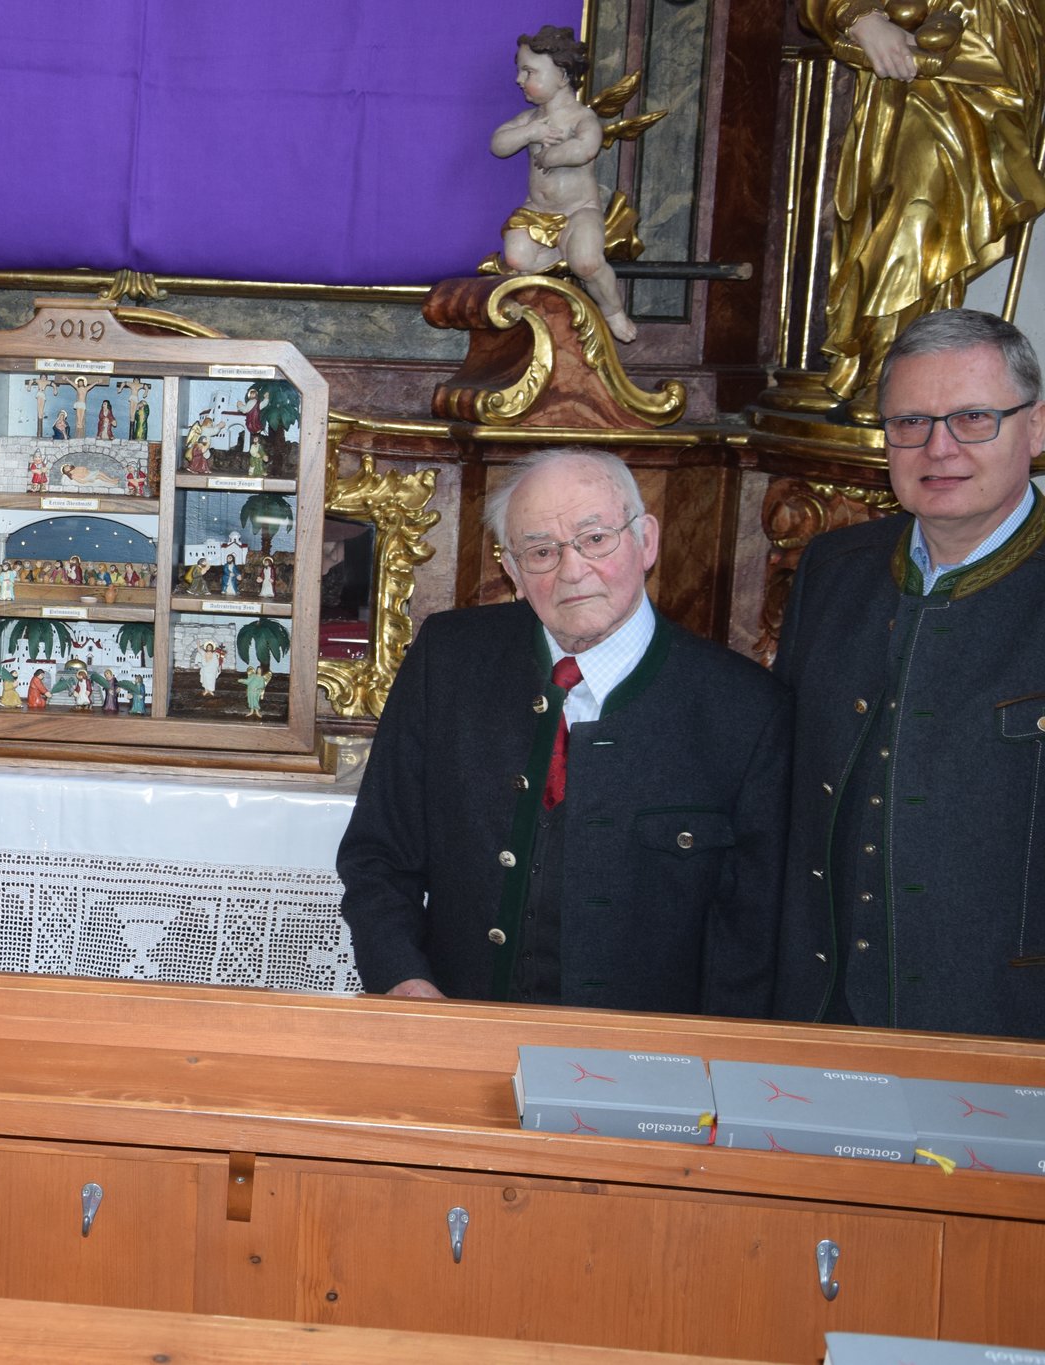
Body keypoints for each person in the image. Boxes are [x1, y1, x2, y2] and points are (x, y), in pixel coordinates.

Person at [338, 448, 788, 1016]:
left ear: (645, 541)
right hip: (458, 1029)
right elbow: (378, 855)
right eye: (541, 552)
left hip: (642, 1064)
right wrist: (405, 981)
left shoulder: (745, 710)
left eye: (595, 538)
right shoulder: (449, 658)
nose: (572, 571)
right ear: (514, 573)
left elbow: (750, 936)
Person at [775, 308, 1045, 1038]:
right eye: (911, 422)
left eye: (974, 418)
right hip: (819, 1017)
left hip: (1002, 1030)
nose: (939, 447)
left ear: (1037, 427)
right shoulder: (835, 570)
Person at [804, 1, 1045, 417]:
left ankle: (895, 370)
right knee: (887, 209)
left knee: (923, 207)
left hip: (988, 46)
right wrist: (858, 16)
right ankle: (875, 362)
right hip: (900, 51)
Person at [490, 26, 636, 343]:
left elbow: (586, 148)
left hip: (579, 210)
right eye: (520, 71)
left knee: (588, 262)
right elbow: (498, 144)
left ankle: (613, 311)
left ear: (563, 75)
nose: (519, 80)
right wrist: (529, 134)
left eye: (528, 71)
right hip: (537, 211)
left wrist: (555, 155)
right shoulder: (531, 121)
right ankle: (557, 261)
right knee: (516, 258)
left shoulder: (582, 117)